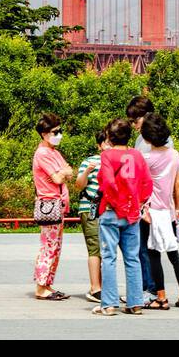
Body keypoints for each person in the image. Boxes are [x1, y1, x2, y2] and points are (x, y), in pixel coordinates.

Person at [93, 117, 153, 316]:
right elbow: (147, 184)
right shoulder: (137, 155)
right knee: (132, 258)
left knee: (109, 258)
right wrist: (136, 204)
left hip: (111, 211)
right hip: (132, 213)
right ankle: (135, 303)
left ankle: (109, 304)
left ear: (109, 137)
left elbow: (108, 183)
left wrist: (117, 205)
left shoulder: (107, 156)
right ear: (129, 136)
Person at [140, 111, 179, 309]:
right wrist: (178, 208)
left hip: (152, 212)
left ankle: (161, 297)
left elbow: (141, 186)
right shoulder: (175, 155)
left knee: (153, 254)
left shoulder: (146, 159)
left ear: (147, 137)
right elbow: (177, 185)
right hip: (169, 210)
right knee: (174, 254)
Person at [126, 95, 171, 306]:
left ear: (145, 117)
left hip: (152, 202)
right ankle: (147, 288)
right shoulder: (140, 139)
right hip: (142, 200)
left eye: (135, 121)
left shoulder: (159, 141)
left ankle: (152, 290)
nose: (133, 125)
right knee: (142, 247)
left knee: (147, 249)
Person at [32, 112, 73, 300]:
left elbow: (69, 172)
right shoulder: (42, 153)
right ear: (44, 133)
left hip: (58, 203)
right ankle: (41, 286)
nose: (59, 135)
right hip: (49, 204)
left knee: (55, 247)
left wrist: (63, 172)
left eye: (59, 131)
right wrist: (62, 172)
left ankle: (47, 283)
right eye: (55, 132)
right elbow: (58, 177)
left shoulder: (54, 152)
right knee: (48, 246)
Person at [75, 129, 109, 302]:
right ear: (99, 145)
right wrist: (87, 172)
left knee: (106, 249)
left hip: (109, 210)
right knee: (95, 247)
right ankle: (95, 288)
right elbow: (79, 185)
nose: (110, 145)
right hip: (90, 208)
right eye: (106, 142)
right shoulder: (89, 161)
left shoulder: (118, 160)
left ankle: (103, 287)